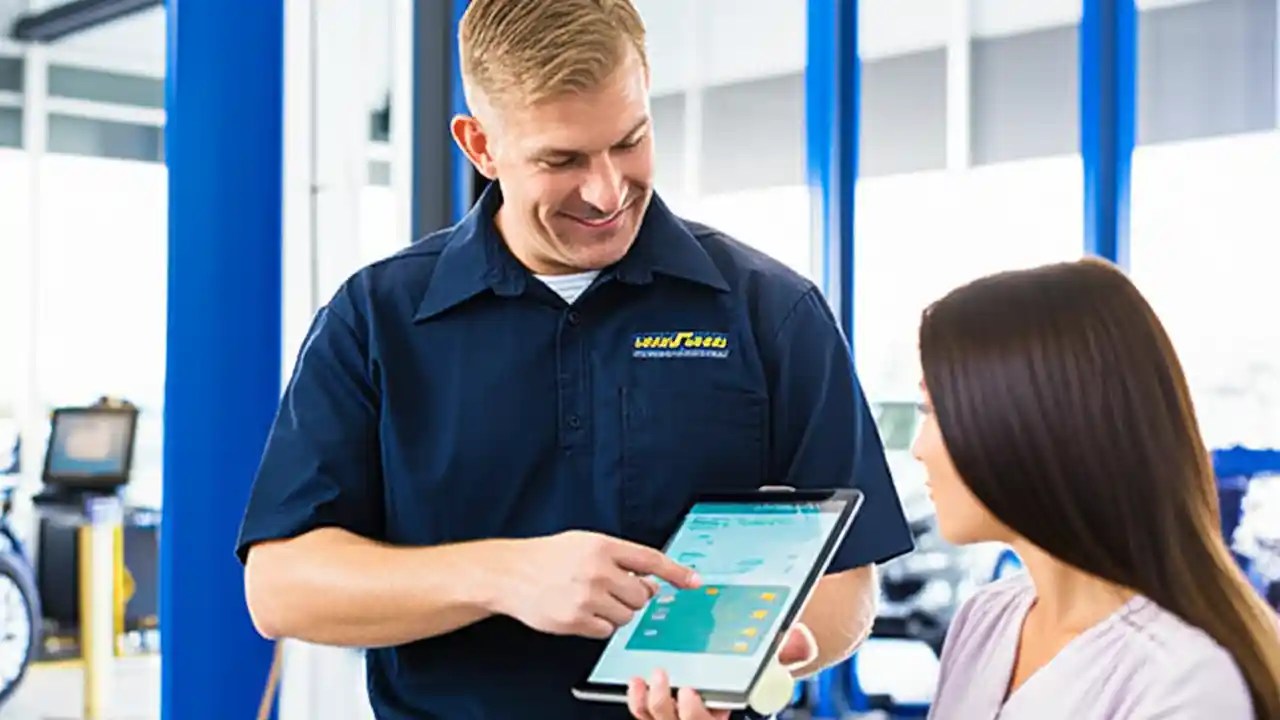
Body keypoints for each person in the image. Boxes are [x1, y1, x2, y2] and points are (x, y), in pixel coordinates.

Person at [235, 1, 913, 718]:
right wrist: (502, 574)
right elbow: (282, 587)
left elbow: (847, 583)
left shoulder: (772, 312)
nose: (607, 191)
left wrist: (763, 655)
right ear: (479, 145)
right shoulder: (376, 319)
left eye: (630, 141)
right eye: (562, 160)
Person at [914, 258, 1280, 719]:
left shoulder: (1187, 680)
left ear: (1021, 421)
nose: (918, 448)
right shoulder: (986, 618)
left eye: (931, 412)